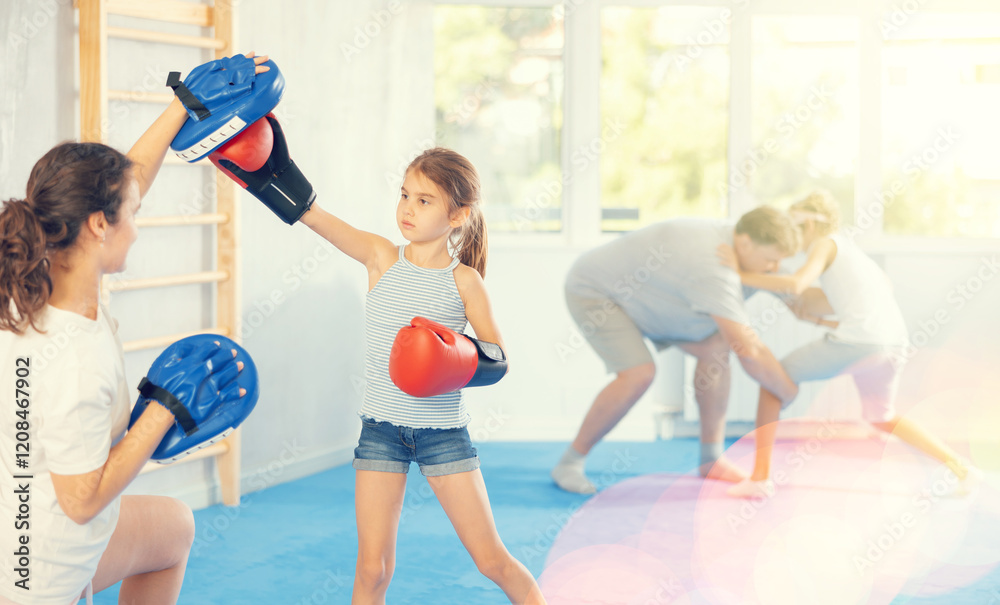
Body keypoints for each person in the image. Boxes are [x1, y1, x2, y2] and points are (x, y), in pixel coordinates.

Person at [0, 54, 267, 605]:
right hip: (39, 577)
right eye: (134, 215)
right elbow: (81, 501)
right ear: (100, 225)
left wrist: (184, 106)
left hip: (16, 536)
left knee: (172, 528)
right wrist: (165, 410)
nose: (138, 229)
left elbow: (129, 181)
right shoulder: (76, 358)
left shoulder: (29, 290)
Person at [292, 148, 545, 604]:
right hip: (380, 431)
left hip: (442, 434)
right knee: (372, 570)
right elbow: (313, 216)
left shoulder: (464, 281)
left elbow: (498, 359)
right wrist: (265, 172)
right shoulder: (380, 256)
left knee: (492, 561)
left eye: (424, 200)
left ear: (457, 215)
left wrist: (448, 361)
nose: (408, 208)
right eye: (405, 194)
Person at [720, 191, 983, 498]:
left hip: (860, 343)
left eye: (794, 227)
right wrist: (812, 313)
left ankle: (759, 479)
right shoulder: (851, 253)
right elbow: (846, 297)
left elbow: (796, 285)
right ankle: (962, 468)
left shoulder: (824, 243)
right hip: (892, 345)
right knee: (882, 417)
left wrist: (739, 274)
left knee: (772, 383)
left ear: (809, 225)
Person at [551, 208, 802, 494]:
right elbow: (749, 350)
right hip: (598, 292)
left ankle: (711, 461)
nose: (775, 268)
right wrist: (788, 391)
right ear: (744, 244)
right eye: (771, 260)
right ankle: (569, 463)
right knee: (639, 373)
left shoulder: (750, 242)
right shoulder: (713, 265)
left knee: (716, 348)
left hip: (655, 296)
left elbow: (803, 300)